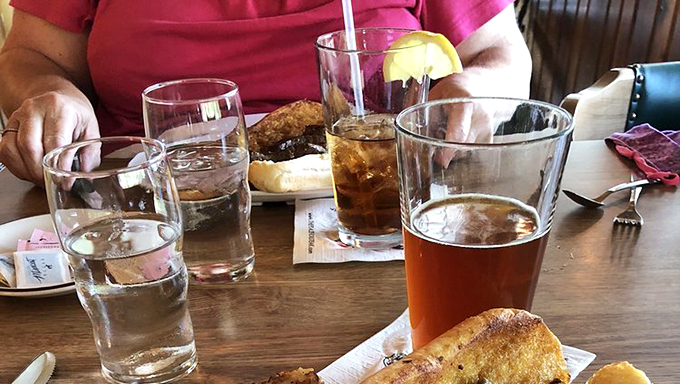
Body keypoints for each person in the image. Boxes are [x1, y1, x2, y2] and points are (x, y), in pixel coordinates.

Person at [0, 0, 532, 184]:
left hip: (373, 202)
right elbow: (30, 56)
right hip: (147, 213)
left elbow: (503, 58)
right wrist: (52, 92)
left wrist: (474, 90)